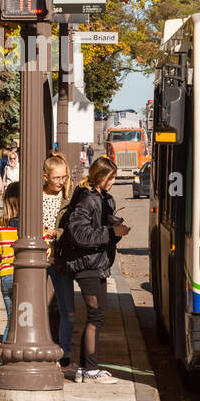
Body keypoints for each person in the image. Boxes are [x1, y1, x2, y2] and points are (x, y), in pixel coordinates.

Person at [55, 157, 130, 383]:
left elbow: (95, 230)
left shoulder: (103, 199)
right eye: (111, 177)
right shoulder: (88, 199)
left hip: (97, 263)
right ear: (100, 177)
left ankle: (89, 366)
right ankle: (90, 368)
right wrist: (111, 233)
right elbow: (79, 234)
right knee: (95, 315)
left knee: (97, 316)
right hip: (87, 264)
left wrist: (113, 228)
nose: (114, 182)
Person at [41, 153, 77, 375]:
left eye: (64, 177)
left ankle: (64, 356)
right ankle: (41, 349)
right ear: (45, 177)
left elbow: (74, 226)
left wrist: (59, 232)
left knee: (67, 310)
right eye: (56, 178)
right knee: (37, 307)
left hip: (60, 257)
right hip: (38, 258)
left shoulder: (69, 198)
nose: (61, 182)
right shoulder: (35, 196)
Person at [0, 183, 20, 342]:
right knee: (22, 322)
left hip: (5, 276)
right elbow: (45, 248)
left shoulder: (0, 224)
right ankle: (7, 359)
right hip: (22, 277)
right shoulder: (28, 224)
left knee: (11, 320)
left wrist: (4, 261)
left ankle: (4, 358)